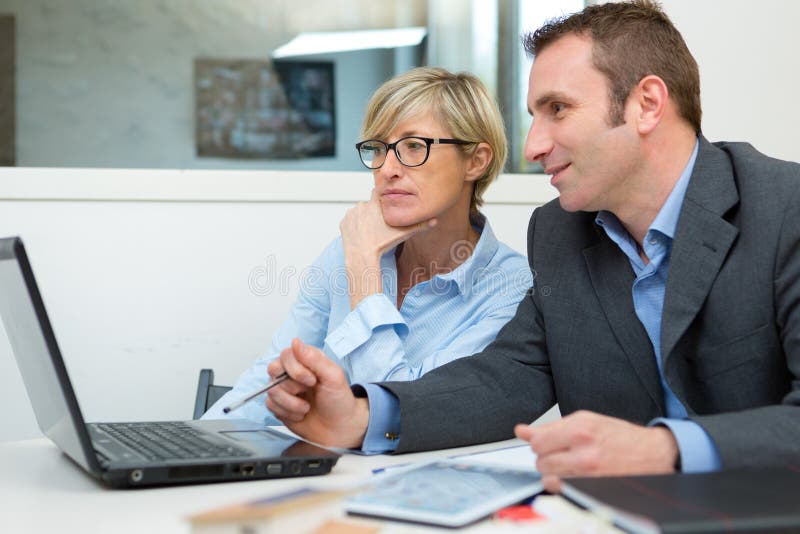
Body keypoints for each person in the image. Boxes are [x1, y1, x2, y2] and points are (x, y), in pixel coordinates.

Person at [264, 0, 800, 488]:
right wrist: (359, 414)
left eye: (558, 109)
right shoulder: (561, 233)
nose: (533, 145)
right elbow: (506, 377)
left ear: (647, 104)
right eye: (533, 116)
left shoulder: (785, 210)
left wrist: (664, 448)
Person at [202, 67, 532, 424]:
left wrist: (363, 271)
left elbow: (399, 414)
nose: (386, 168)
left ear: (476, 161)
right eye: (378, 148)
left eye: (413, 146)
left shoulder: (511, 289)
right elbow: (266, 383)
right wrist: (198, 448)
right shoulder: (347, 250)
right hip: (321, 470)